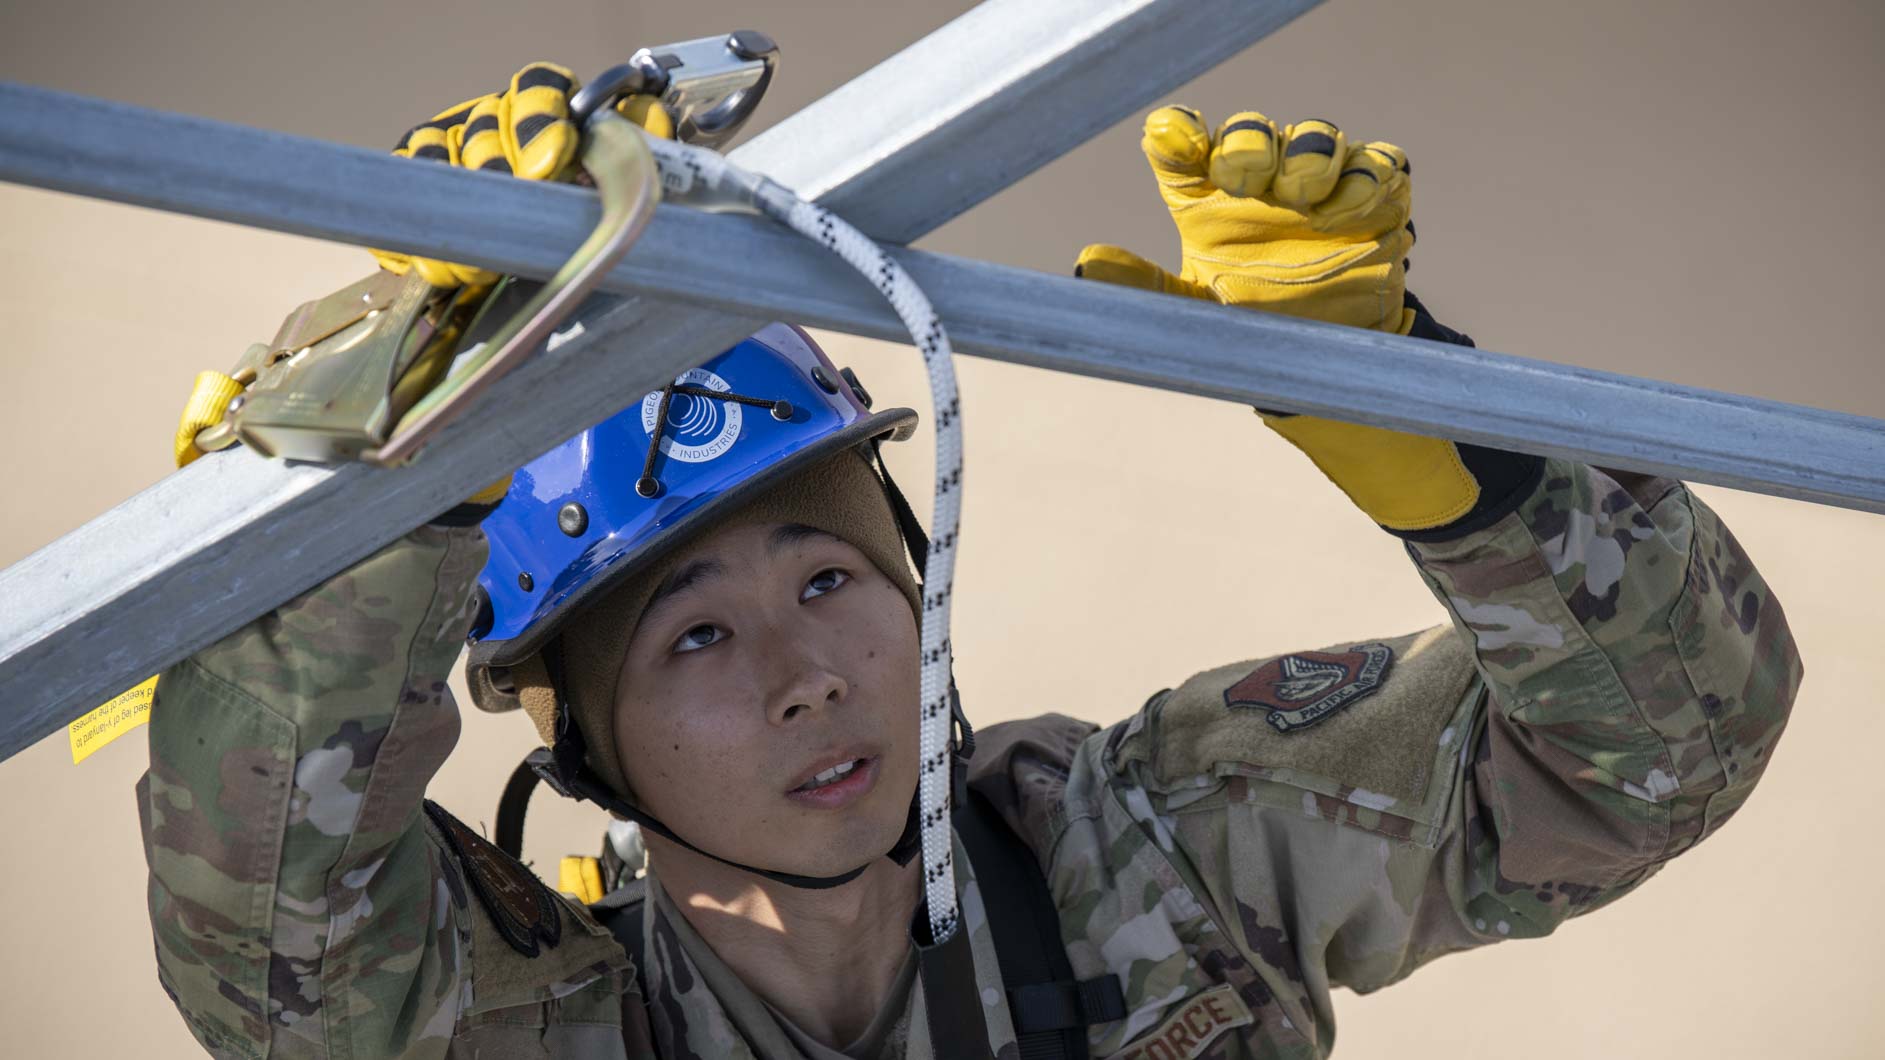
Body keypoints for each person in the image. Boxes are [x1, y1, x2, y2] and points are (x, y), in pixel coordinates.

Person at [141, 66, 1802, 1059]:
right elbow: (270, 942)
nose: (805, 674)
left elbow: (1660, 751)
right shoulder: (531, 1017)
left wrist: (1444, 444)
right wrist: (407, 437)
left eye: (829, 581)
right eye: (693, 643)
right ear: (576, 740)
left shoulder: (1158, 852)